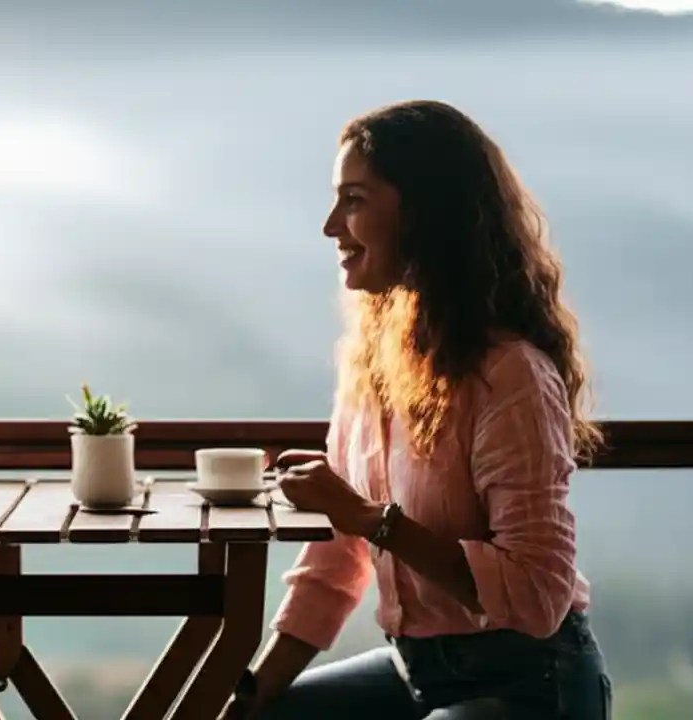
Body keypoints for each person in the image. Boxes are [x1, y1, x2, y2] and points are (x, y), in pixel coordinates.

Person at [223, 100, 612, 719]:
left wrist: (366, 516)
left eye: (354, 200)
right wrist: (253, 693)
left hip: (528, 681)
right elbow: (334, 560)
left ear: (424, 214)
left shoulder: (509, 376)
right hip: (417, 673)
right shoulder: (376, 362)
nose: (330, 226)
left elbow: (539, 597)